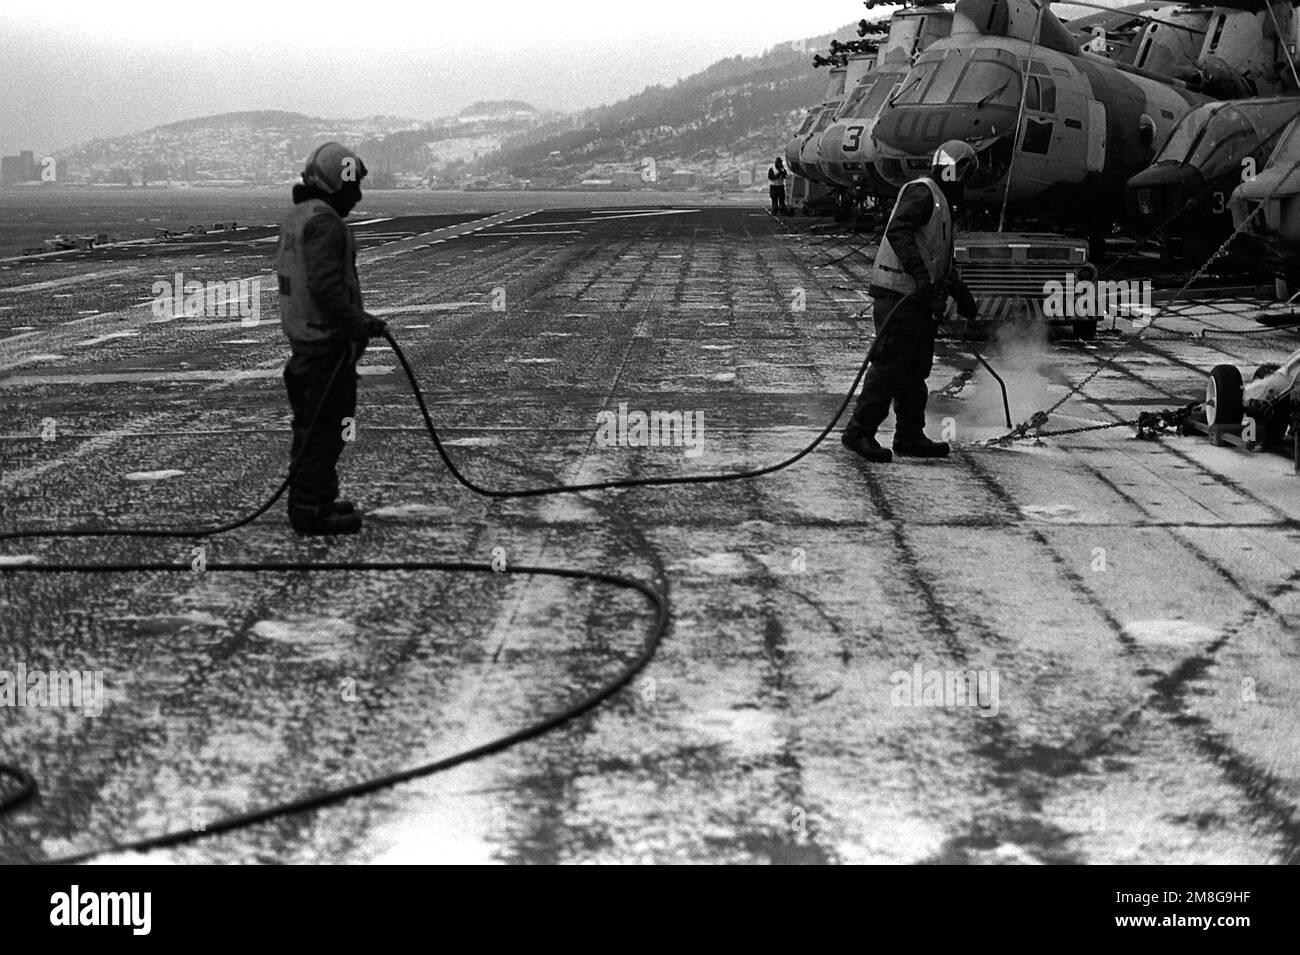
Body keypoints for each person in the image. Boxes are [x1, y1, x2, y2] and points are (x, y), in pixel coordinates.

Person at [842, 139, 980, 463]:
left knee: (915, 371)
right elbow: (898, 231)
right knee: (890, 367)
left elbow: (939, 259)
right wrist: (920, 278)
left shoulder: (942, 203)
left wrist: (961, 295)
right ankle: (859, 432)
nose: (967, 182)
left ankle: (909, 435)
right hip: (899, 297)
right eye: (966, 173)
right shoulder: (923, 193)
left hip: (916, 300)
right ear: (956, 170)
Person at [275, 141, 387, 535]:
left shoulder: (301, 215)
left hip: (307, 344)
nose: (357, 196)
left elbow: (317, 286)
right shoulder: (325, 223)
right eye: (352, 186)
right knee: (326, 431)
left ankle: (316, 500)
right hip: (325, 350)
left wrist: (360, 319)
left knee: (315, 430)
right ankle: (312, 512)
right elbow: (325, 287)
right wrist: (355, 326)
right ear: (333, 185)